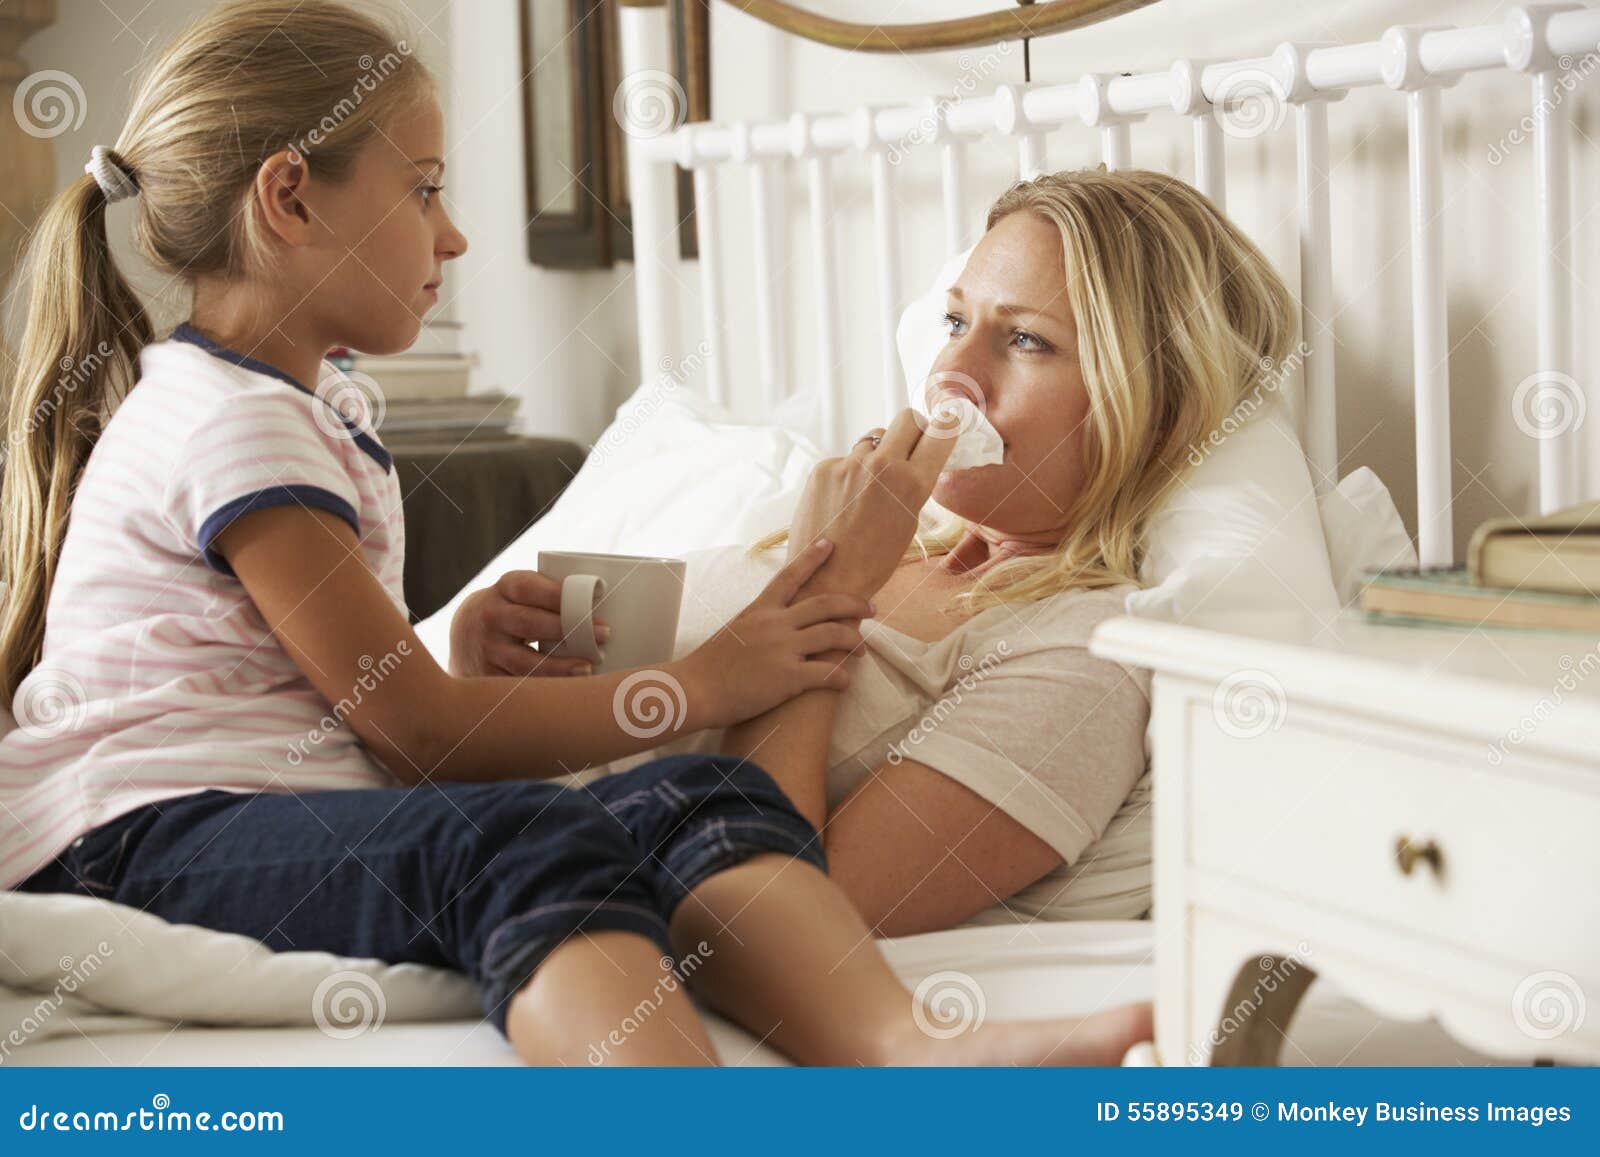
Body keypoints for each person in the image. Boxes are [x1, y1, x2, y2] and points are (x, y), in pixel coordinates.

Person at [0, 0, 1151, 1066]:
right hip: (141, 834)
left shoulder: (294, 412)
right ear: (291, 199)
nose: (451, 240)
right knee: (522, 836)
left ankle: (908, 1045)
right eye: (425, 192)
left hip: (247, 808)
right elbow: (412, 733)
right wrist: (701, 678)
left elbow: (348, 699)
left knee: (698, 797)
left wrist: (457, 670)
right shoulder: (238, 424)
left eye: (1027, 339)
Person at [451, 168, 1302, 937]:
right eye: (956, 320)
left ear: (1147, 408)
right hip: (447, 814)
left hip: (521, 902)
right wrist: (487, 684)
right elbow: (624, 727)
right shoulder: (841, 523)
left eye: (1025, 340)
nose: (951, 372)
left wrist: (827, 587)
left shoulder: (1081, 660)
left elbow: (770, 923)